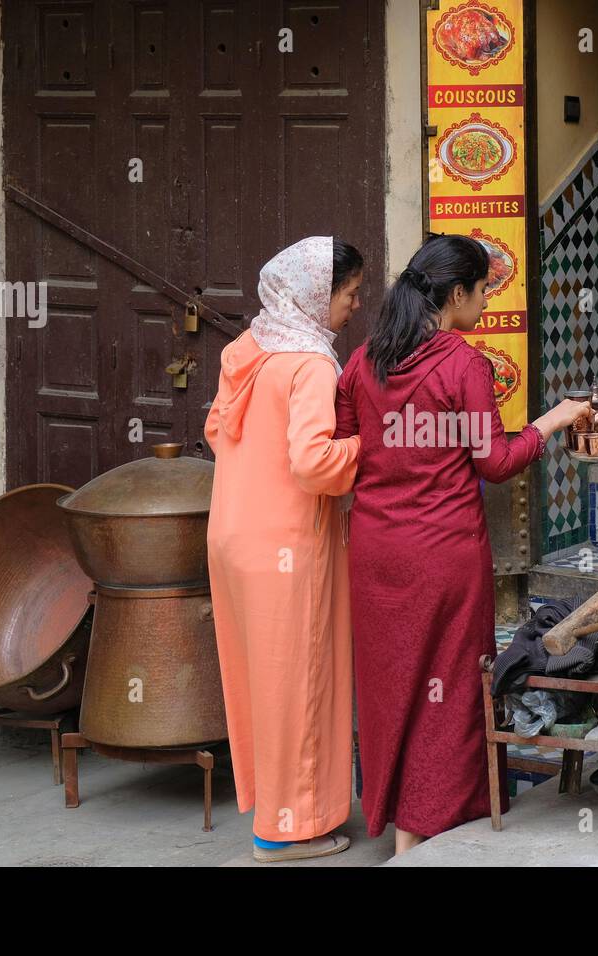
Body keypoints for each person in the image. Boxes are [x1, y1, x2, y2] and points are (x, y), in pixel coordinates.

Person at [334, 234, 586, 855]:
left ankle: (397, 819)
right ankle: (424, 828)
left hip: (373, 552)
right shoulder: (462, 365)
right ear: (455, 294)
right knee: (446, 686)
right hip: (443, 554)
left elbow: (344, 447)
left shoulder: (364, 361)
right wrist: (552, 421)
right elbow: (496, 462)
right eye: (481, 291)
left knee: (392, 684)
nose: (483, 303)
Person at [205, 235, 364, 862]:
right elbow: (313, 462)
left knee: (258, 684)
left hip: (233, 537)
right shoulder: (312, 365)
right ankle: (285, 830)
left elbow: (217, 430)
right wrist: (367, 447)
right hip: (289, 549)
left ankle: (275, 813)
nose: (354, 308)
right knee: (299, 684)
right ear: (315, 297)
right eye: (348, 296)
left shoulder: (247, 348)